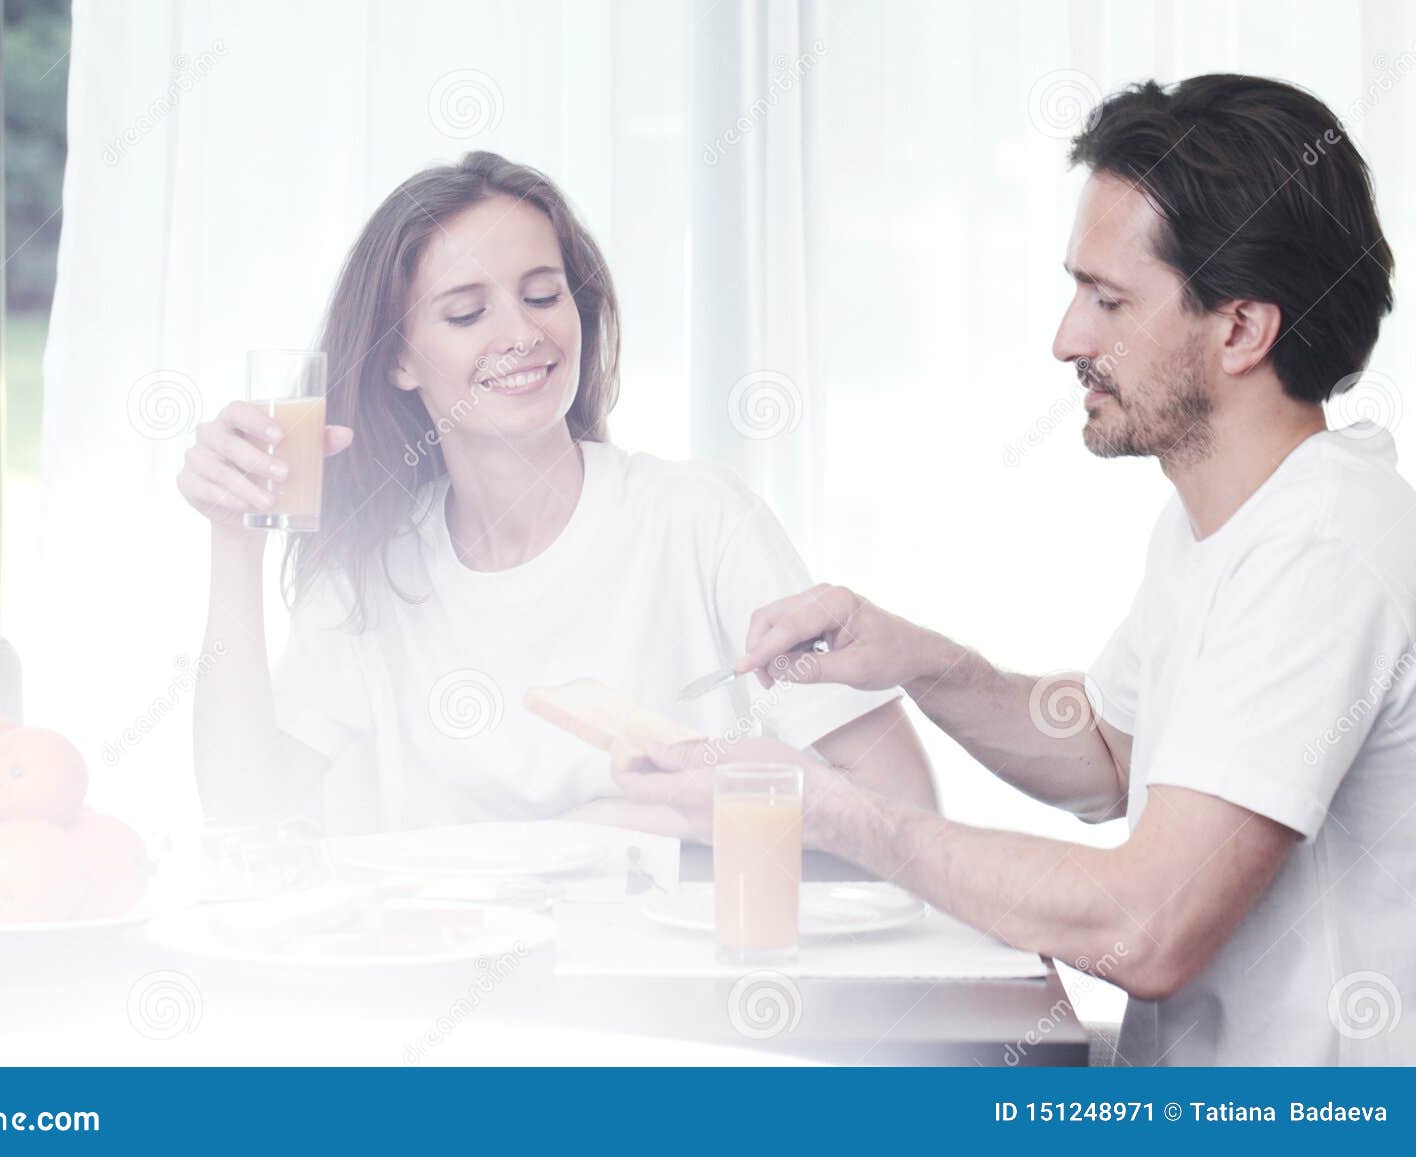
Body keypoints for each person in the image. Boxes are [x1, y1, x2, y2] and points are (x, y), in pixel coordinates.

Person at [614, 75, 1414, 1066]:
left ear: (1242, 329)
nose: (1066, 339)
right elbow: (1110, 757)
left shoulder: (1320, 550)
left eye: (1108, 300)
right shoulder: (1225, 523)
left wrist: (838, 814)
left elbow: (1148, 926)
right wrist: (920, 660)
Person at [182, 151, 935, 835]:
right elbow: (244, 805)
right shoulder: (374, 566)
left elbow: (908, 809)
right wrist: (235, 542)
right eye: (467, 313)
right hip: (453, 946)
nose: (521, 333)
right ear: (399, 360)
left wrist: (635, 824)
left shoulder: (699, 520)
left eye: (543, 296)